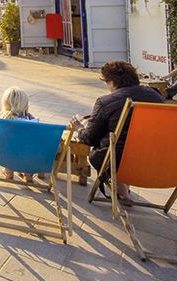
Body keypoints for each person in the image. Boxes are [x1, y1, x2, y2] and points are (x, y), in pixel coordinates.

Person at [70, 60, 164, 205]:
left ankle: (121, 185)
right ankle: (123, 187)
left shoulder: (106, 101)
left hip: (120, 162)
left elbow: (89, 139)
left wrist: (79, 127)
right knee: (129, 139)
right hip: (159, 161)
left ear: (112, 82)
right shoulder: (155, 96)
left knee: (108, 147)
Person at [0, 87, 41, 182]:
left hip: (6, 155)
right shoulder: (31, 119)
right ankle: (28, 175)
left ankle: (9, 173)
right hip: (27, 156)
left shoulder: (1, 118)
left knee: (8, 147)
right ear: (25, 104)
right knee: (28, 148)